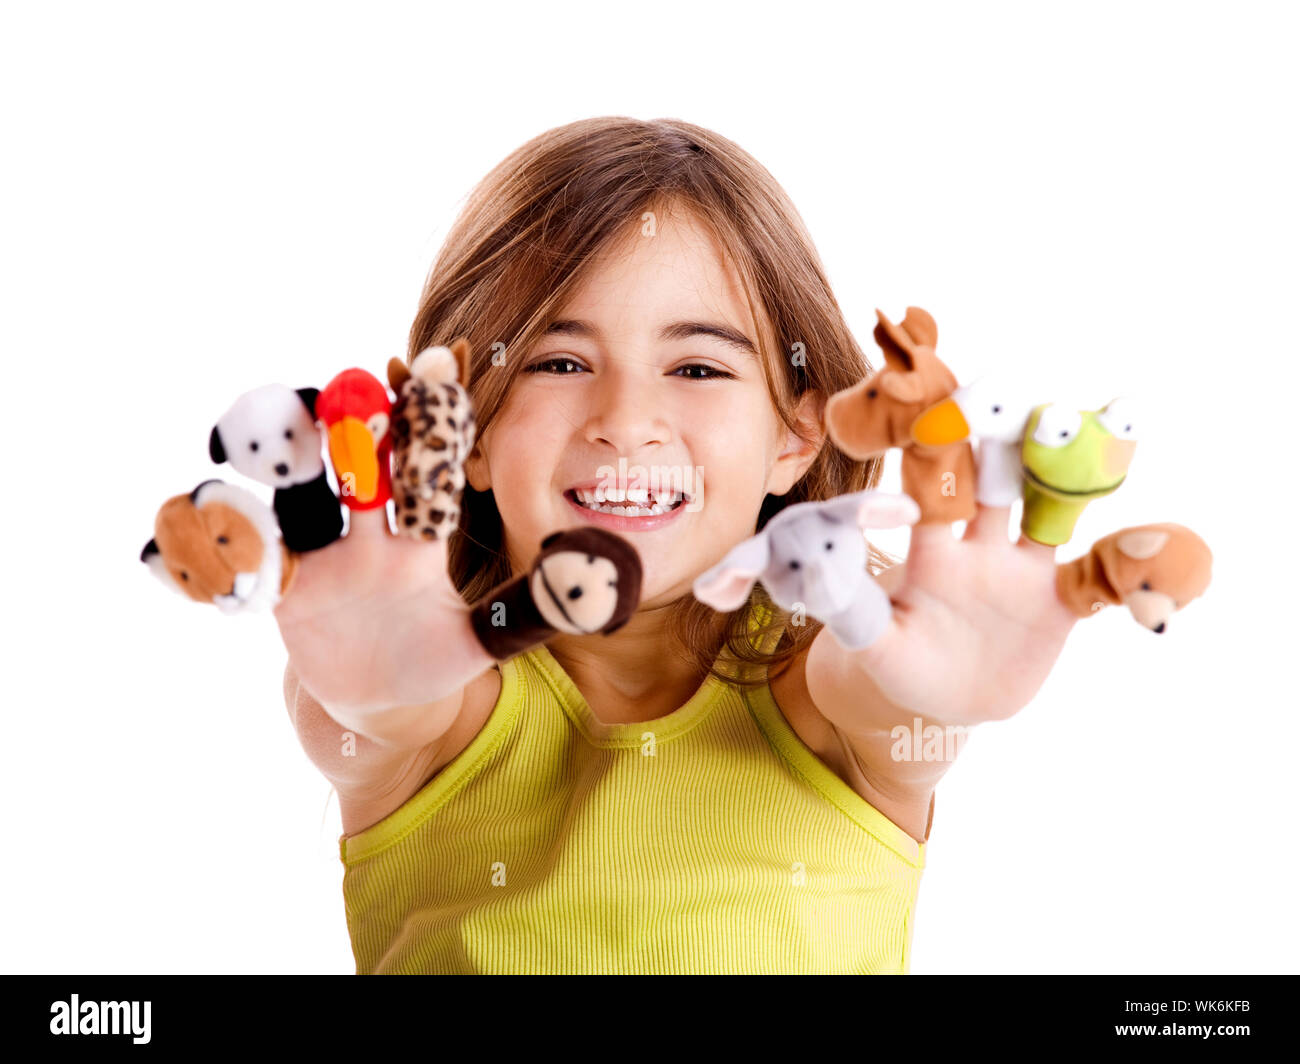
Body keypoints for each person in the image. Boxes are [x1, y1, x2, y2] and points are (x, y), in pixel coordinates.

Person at [273, 116, 1078, 974]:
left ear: (797, 432)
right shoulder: (435, 711)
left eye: (698, 368)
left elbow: (885, 695)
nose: (626, 423)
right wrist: (356, 692)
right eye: (560, 363)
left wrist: (929, 687)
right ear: (466, 426)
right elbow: (380, 705)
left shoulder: (821, 696)